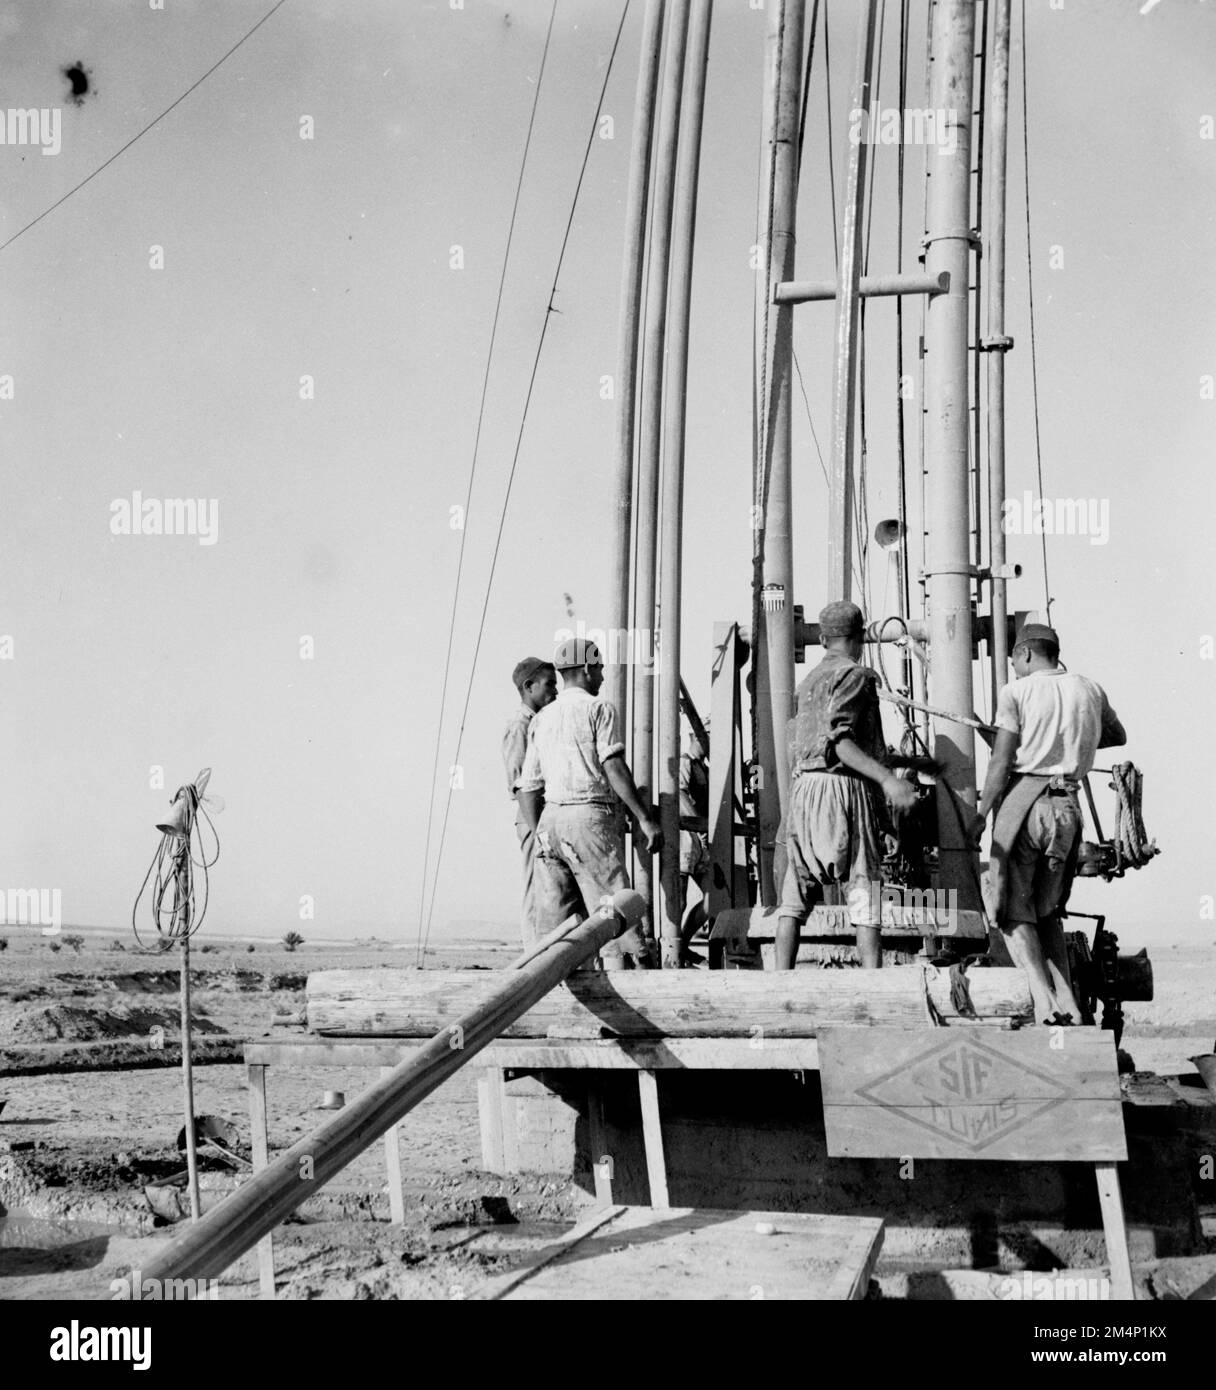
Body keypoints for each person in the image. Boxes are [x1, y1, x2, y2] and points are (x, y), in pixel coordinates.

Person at [973, 623, 1126, 1025]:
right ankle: (1071, 1006)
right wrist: (1070, 737)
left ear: (1024, 654)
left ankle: (1043, 1002)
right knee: (1048, 912)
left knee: (1008, 909)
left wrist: (981, 815)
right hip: (1067, 810)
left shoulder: (1016, 692)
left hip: (1027, 804)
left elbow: (1002, 762)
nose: (1015, 667)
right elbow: (1116, 734)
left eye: (1014, 660)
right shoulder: (1090, 689)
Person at [775, 601, 921, 971]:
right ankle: (871, 980)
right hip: (841, 789)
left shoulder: (808, 682)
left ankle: (779, 980)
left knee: (794, 896)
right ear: (860, 638)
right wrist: (888, 780)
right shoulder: (856, 676)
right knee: (864, 886)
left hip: (804, 789)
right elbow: (840, 741)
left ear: (823, 638)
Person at [517, 637, 662, 969]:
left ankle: (561, 997)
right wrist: (644, 817)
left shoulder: (542, 718)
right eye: (599, 669)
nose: (602, 676)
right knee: (614, 910)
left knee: (557, 926)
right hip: (590, 818)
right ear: (585, 669)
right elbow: (613, 766)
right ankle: (633, 987)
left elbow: (528, 787)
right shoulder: (599, 709)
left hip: (549, 824)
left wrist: (540, 830)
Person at [501, 657, 557, 948]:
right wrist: (538, 833)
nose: (555, 692)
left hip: (544, 817)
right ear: (528, 687)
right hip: (532, 817)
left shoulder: (539, 725)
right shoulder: (519, 726)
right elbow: (521, 785)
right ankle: (533, 954)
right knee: (535, 892)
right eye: (549, 685)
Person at [677, 719, 713, 964]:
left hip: (701, 838)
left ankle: (684, 942)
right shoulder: (685, 762)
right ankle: (675, 949)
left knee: (713, 897)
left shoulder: (706, 767)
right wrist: (698, 825)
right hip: (685, 838)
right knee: (678, 898)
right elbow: (679, 792)